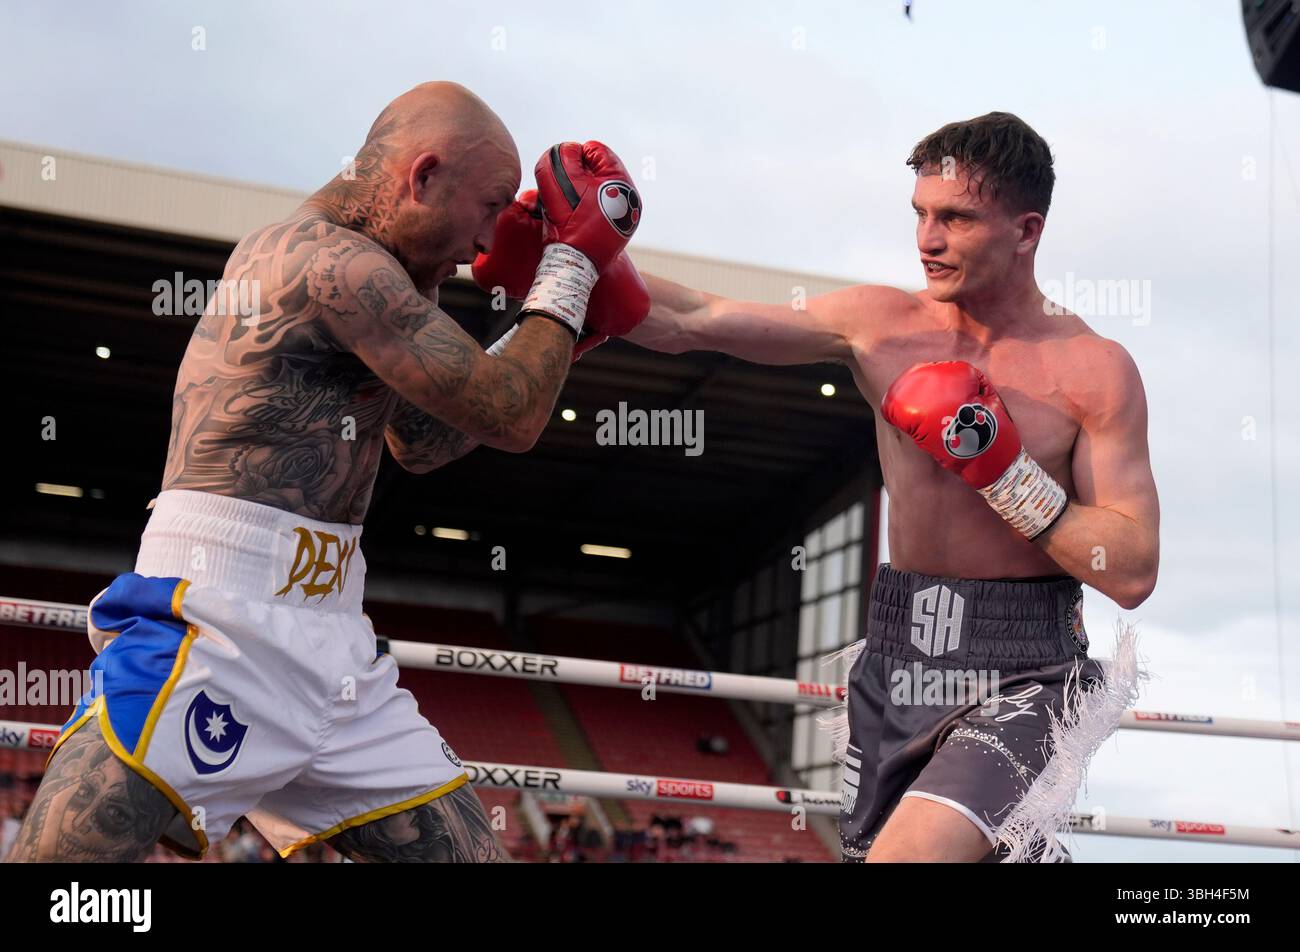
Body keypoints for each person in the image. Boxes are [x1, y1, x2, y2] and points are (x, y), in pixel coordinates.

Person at [5, 81, 645, 863]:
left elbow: (424, 440)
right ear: (423, 176)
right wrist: (570, 271)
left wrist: (558, 339)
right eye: (484, 210)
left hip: (334, 642)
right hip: (218, 619)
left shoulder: (388, 278)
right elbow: (510, 415)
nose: (481, 248)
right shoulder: (325, 262)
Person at [618, 112, 1158, 862]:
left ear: (1026, 231)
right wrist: (570, 266)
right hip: (900, 650)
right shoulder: (879, 325)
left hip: (1026, 667)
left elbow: (1131, 568)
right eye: (920, 214)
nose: (927, 241)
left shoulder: (1093, 370)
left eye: (956, 219)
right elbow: (695, 318)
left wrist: (1009, 478)